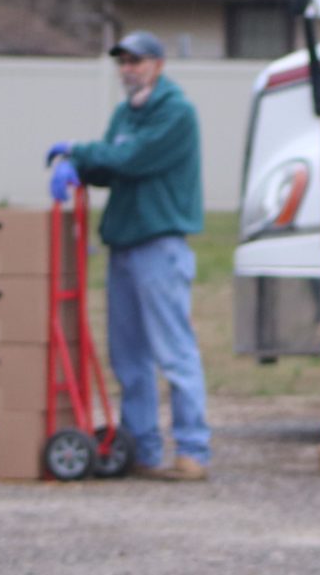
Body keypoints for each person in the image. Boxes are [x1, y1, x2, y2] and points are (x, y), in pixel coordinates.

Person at [53, 31, 211, 479]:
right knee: (128, 357)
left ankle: (193, 452)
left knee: (174, 353)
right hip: (123, 245)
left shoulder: (176, 113)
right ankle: (142, 449)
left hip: (159, 246)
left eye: (136, 61)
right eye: (123, 62)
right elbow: (111, 165)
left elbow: (132, 158)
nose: (128, 70)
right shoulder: (126, 114)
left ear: (158, 65)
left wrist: (77, 151)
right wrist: (79, 168)